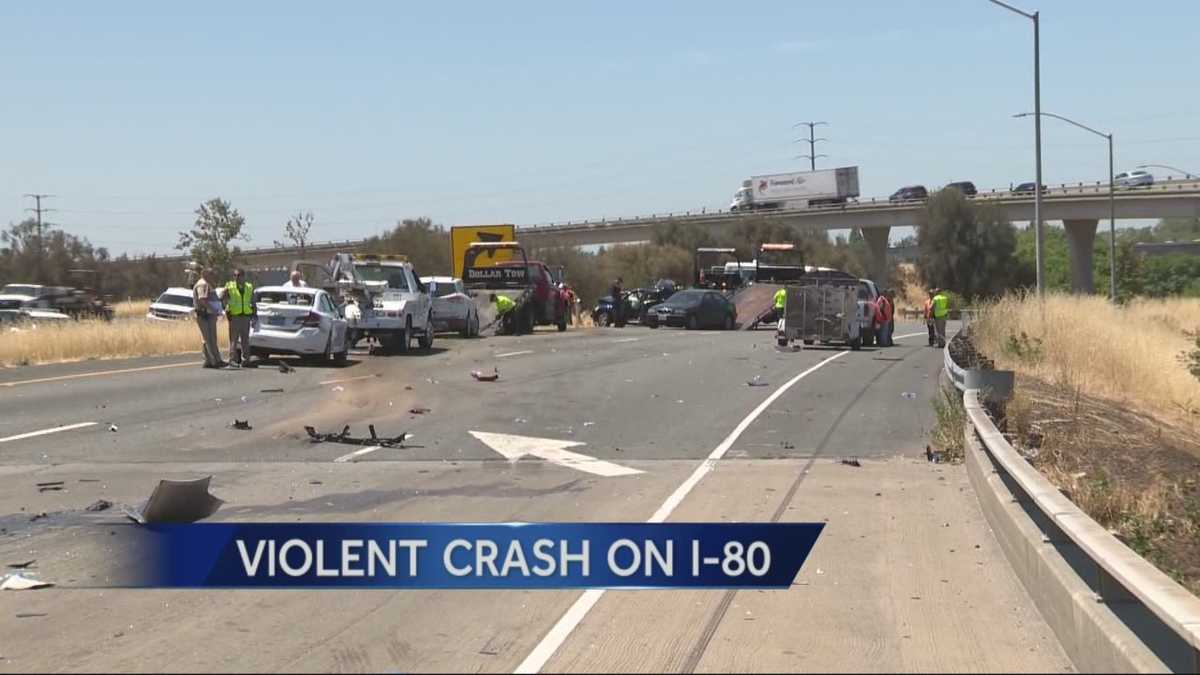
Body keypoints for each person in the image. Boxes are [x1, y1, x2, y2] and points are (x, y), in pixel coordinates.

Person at [192, 265, 225, 369]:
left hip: (206, 314)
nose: (213, 276)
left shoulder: (207, 284)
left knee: (208, 338)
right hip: (205, 315)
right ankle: (214, 361)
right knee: (209, 339)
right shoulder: (203, 284)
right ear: (205, 274)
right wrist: (213, 309)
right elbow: (202, 299)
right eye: (211, 274)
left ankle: (209, 360)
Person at [224, 268, 256, 367]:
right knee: (234, 339)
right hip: (235, 316)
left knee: (245, 339)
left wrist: (254, 314)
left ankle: (246, 360)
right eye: (235, 275)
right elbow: (222, 297)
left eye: (239, 275)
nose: (237, 277)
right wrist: (226, 308)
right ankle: (232, 360)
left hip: (246, 315)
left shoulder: (249, 287)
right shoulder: (230, 286)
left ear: (243, 276)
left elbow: (253, 301)